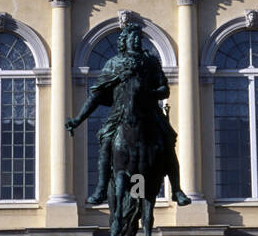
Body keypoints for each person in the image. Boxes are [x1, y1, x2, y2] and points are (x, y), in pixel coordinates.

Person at [66, 23, 191, 206]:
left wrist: (151, 93)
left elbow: (164, 89)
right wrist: (78, 119)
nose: (136, 41)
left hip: (150, 112)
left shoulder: (151, 62)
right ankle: (101, 188)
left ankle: (177, 190)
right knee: (107, 141)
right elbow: (96, 95)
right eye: (132, 37)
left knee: (167, 141)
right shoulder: (113, 64)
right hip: (120, 114)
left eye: (138, 38)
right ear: (124, 42)